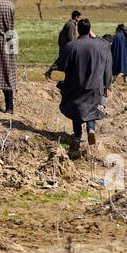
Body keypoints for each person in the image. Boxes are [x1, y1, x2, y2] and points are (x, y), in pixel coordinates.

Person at [45, 17, 111, 156]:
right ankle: (91, 129)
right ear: (89, 30)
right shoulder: (101, 45)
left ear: (78, 30)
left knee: (76, 107)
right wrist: (106, 85)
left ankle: (77, 135)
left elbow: (61, 62)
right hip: (95, 85)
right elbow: (105, 43)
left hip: (76, 84)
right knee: (91, 107)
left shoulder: (72, 46)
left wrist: (50, 70)